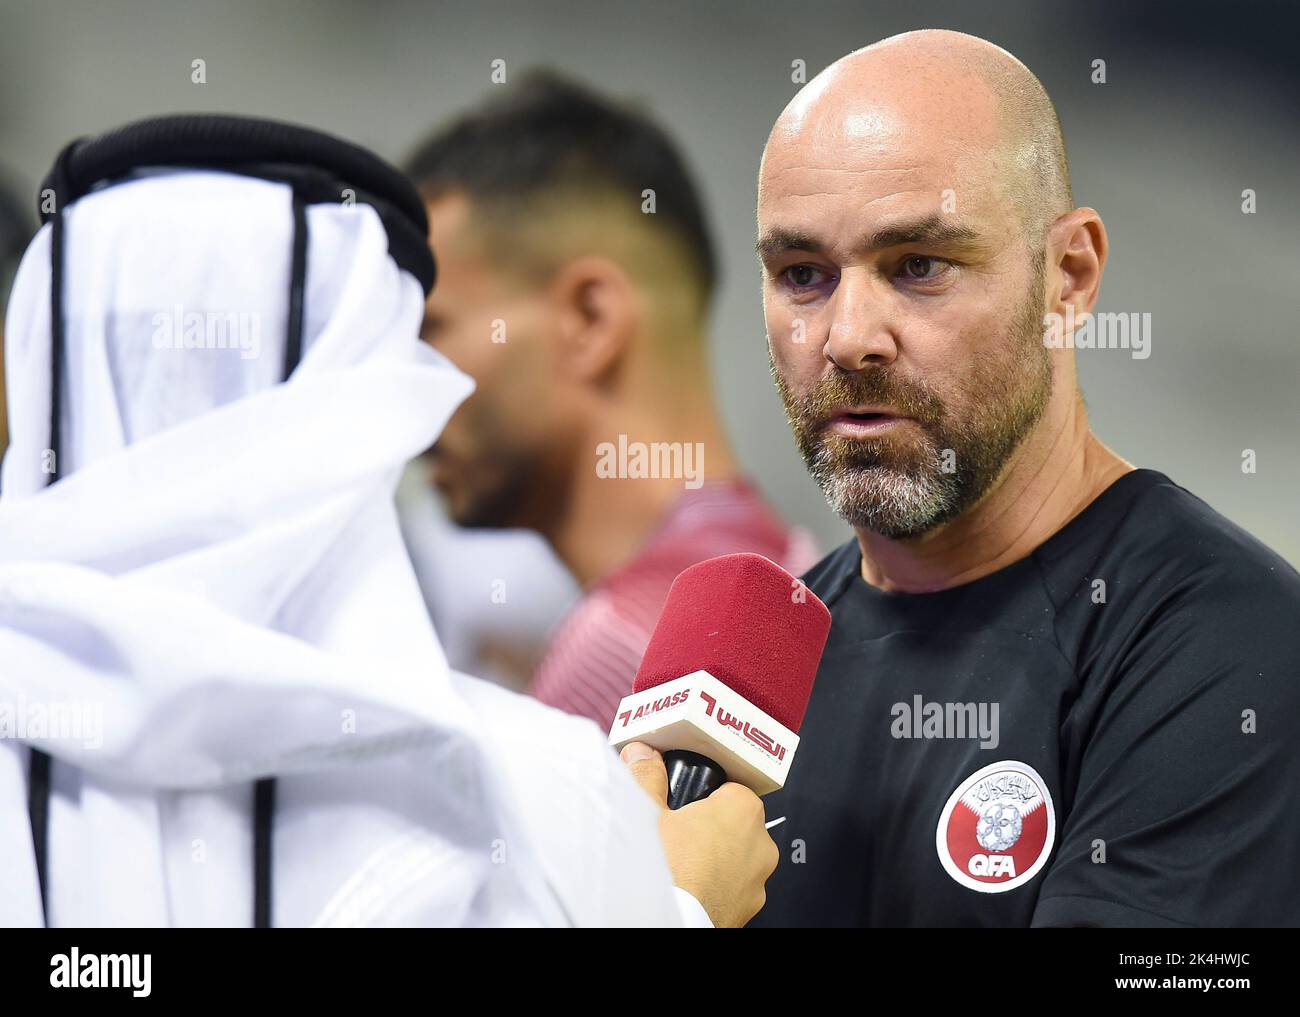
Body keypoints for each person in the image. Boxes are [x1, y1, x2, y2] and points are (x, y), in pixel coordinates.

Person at [0, 115, 776, 928]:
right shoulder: (553, 774)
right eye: (397, 341)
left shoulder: (608, 660)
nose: (426, 387)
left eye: (432, 329)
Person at [749, 30, 1300, 927]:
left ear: (1070, 277)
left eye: (918, 266)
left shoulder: (1231, 649)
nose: (848, 336)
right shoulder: (754, 665)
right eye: (802, 274)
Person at [404, 72, 817, 731]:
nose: (407, 389)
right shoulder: (804, 582)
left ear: (590, 318)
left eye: (431, 331)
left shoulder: (621, 650)